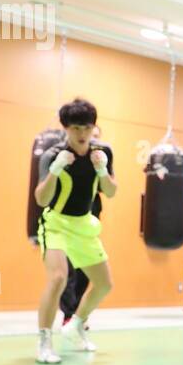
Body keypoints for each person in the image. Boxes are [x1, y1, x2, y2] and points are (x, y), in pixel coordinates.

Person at [33, 99, 116, 364]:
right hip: (56, 223)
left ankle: (75, 325)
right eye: (76, 128)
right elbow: (41, 199)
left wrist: (102, 169)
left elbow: (111, 191)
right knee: (58, 278)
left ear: (94, 127)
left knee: (104, 284)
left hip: (84, 224)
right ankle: (44, 341)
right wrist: (55, 169)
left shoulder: (103, 153)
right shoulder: (52, 155)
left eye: (87, 128)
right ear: (66, 129)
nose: (82, 134)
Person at [60, 124, 105, 326]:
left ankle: (79, 313)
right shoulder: (66, 157)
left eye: (94, 136)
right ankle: (68, 313)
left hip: (90, 216)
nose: (88, 138)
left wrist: (101, 169)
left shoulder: (99, 158)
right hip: (66, 219)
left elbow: (108, 188)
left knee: (86, 271)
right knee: (67, 268)